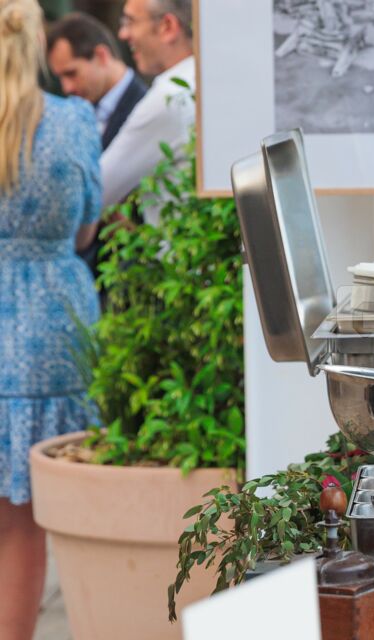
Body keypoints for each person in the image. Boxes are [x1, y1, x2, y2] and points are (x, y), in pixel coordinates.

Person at [0, 1, 102, 638]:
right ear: (39, 39)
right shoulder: (70, 121)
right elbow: (88, 224)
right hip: (52, 325)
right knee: (23, 519)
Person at [47, 12, 148, 275]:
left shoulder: (148, 108)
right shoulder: (76, 115)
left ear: (101, 56)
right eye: (60, 77)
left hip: (134, 275)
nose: (66, 87)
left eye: (72, 73)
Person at [102, 0, 194, 224]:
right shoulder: (209, 78)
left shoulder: (169, 96)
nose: (123, 34)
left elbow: (96, 191)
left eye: (130, 21)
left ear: (168, 27)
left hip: (177, 255)